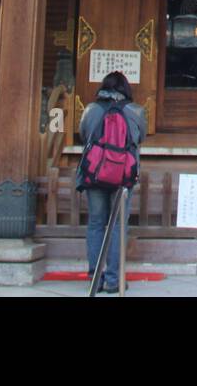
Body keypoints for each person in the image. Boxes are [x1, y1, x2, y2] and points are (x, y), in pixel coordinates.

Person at [77, 71, 146, 294]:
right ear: (126, 89)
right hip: (122, 177)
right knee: (117, 226)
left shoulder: (91, 110)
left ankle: (95, 278)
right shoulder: (136, 112)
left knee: (96, 223)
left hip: (95, 174)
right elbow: (139, 138)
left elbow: (83, 134)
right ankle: (114, 280)